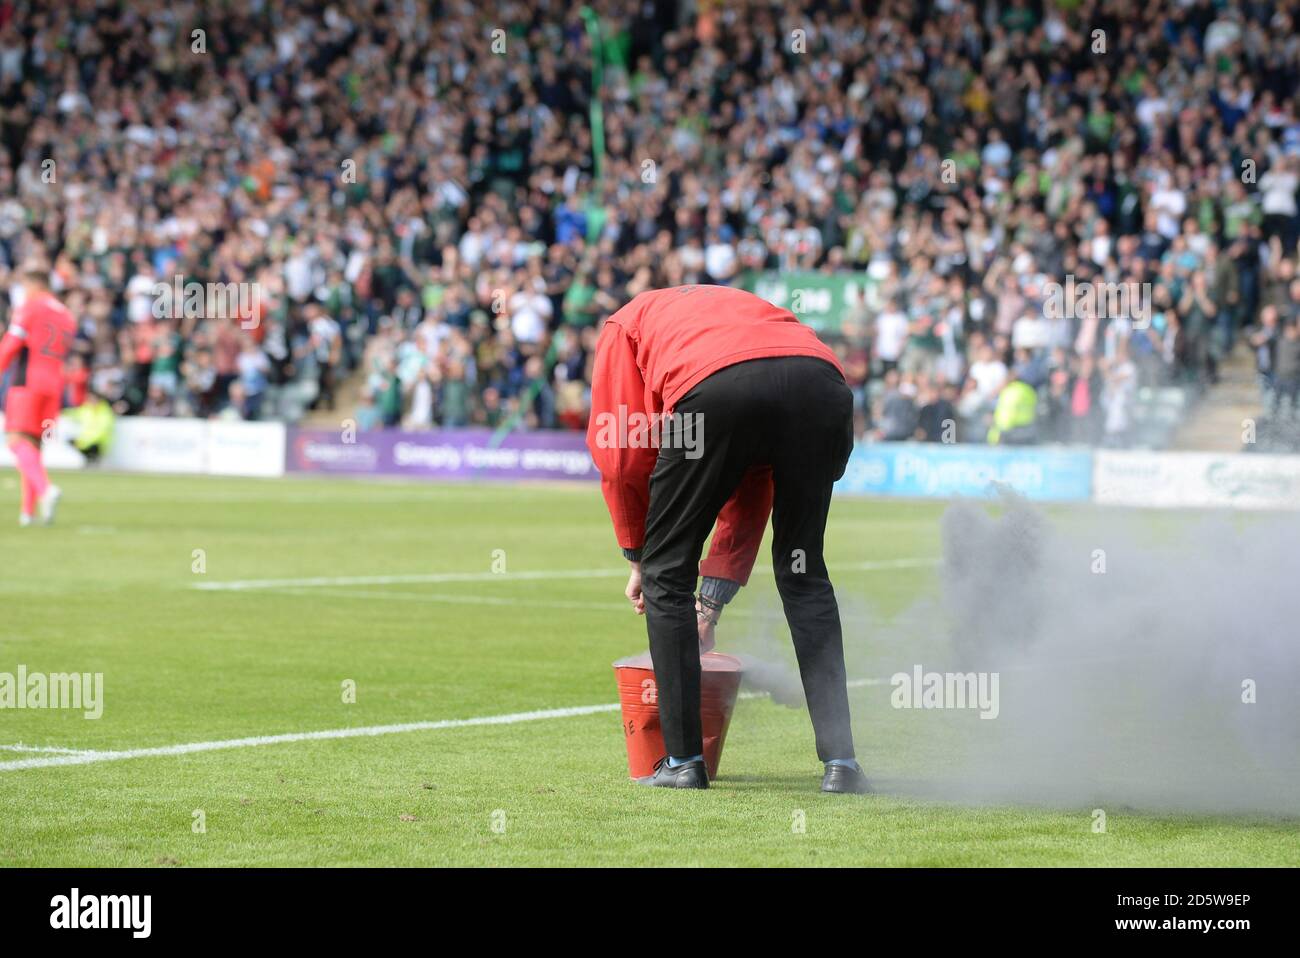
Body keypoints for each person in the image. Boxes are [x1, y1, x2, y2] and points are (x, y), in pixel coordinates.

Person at [585, 285, 869, 794]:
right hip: (823, 388)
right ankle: (842, 765)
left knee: (666, 574)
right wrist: (710, 604)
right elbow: (754, 477)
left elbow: (625, 449)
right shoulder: (737, 311)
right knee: (804, 574)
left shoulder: (622, 324)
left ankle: (684, 762)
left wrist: (639, 555)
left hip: (716, 389)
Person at [0, 268, 76, 526]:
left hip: (27, 381)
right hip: (54, 387)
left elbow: (12, 343)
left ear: (34, 285)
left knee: (15, 440)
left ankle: (45, 490)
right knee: (34, 446)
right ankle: (28, 512)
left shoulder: (30, 307)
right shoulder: (67, 315)